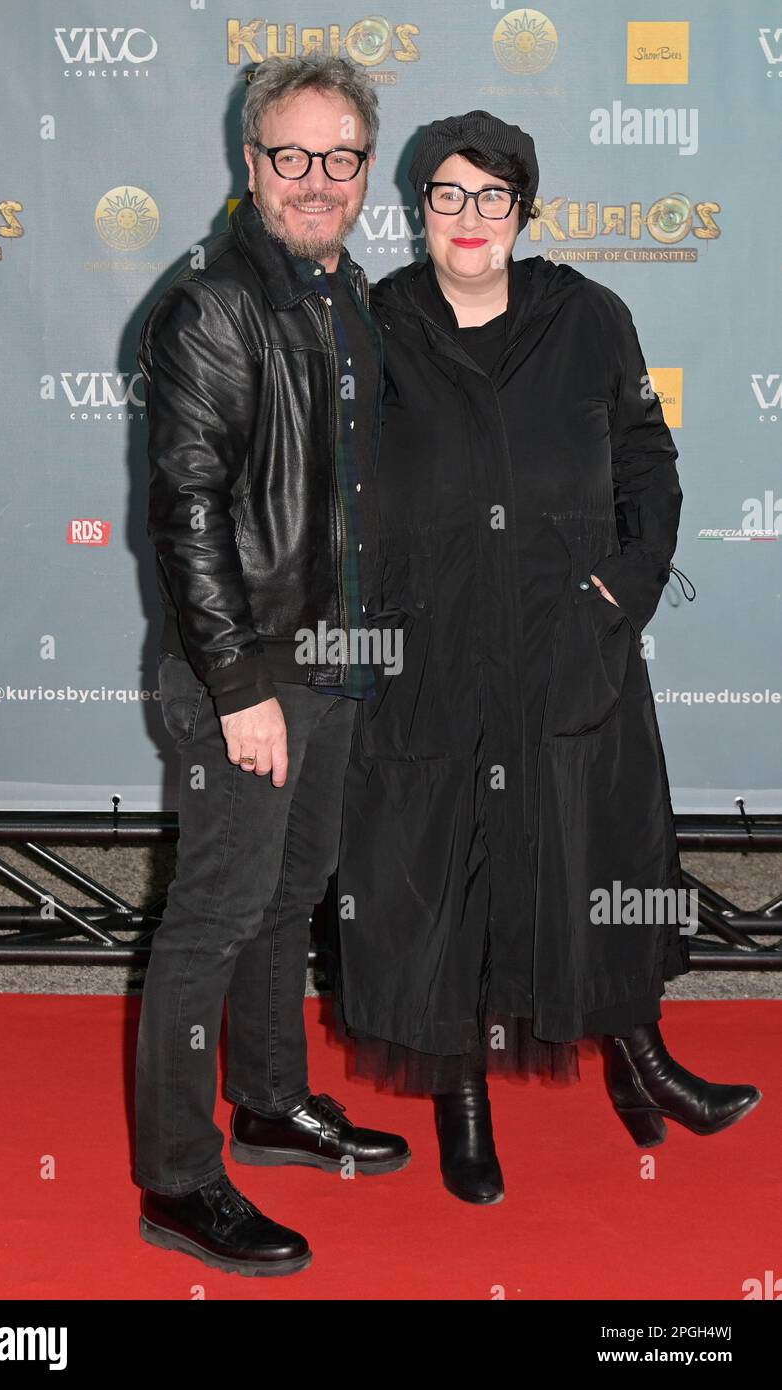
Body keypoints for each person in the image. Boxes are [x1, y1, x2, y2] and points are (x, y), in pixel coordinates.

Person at [335, 110, 761, 1205]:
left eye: (492, 198)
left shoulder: (588, 317)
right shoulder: (375, 325)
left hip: (569, 638)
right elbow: (337, 491)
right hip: (436, 653)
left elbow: (646, 465)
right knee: (447, 874)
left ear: (523, 210)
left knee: (600, 852)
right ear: (416, 206)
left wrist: (620, 587)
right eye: (446, 195)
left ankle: (640, 1055)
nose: (468, 218)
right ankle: (462, 1101)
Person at [134, 54, 409, 1278]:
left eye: (338, 159)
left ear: (361, 173)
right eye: (290, 157)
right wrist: (240, 687)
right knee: (213, 916)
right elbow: (188, 511)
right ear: (250, 166)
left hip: (333, 658)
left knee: (291, 896)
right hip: (244, 672)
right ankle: (181, 1178)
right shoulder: (213, 302)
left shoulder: (346, 291)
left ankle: (268, 1100)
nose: (315, 181)